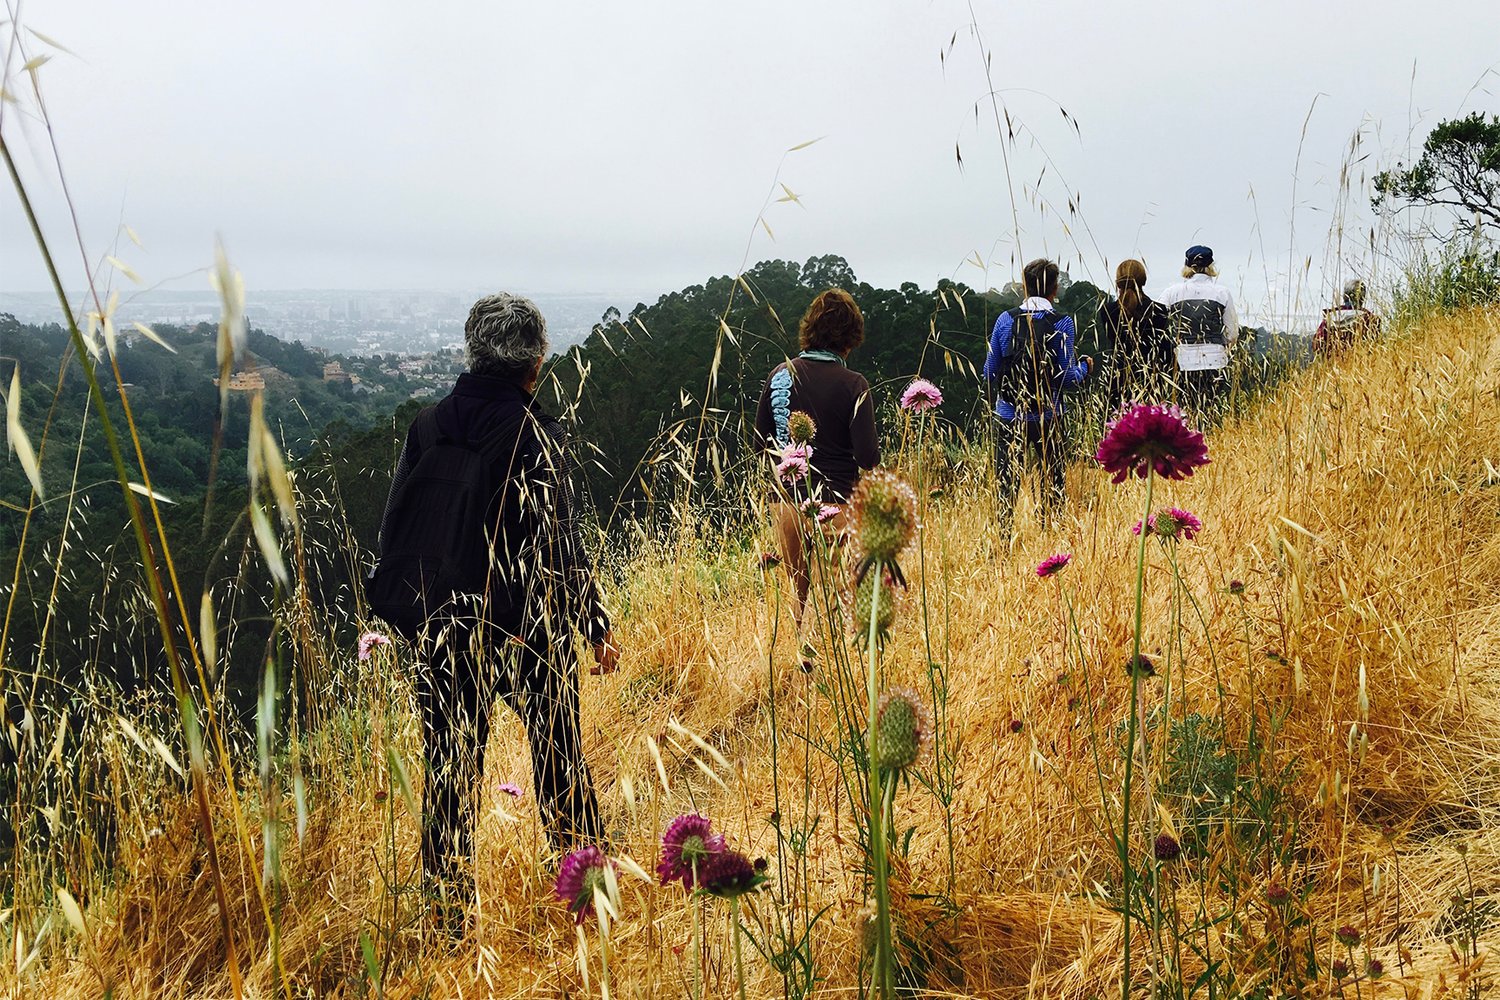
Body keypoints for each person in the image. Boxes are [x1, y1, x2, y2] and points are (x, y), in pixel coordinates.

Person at [374, 293, 620, 924]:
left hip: (441, 625)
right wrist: (592, 622)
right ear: (535, 361)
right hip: (524, 627)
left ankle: (446, 919)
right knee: (559, 757)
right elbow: (557, 539)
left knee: (449, 773)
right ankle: (589, 898)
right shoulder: (535, 431)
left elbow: (396, 526)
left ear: (471, 352)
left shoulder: (427, 425)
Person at [753, 288, 879, 662]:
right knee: (839, 596)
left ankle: (799, 664)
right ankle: (840, 668)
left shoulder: (779, 375)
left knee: (799, 593)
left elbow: (760, 444)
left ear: (809, 330)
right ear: (851, 338)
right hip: (835, 503)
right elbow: (868, 458)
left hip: (786, 502)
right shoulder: (854, 384)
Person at [982, 258, 1094, 526]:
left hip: (1010, 415)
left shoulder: (1005, 320)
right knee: (1052, 484)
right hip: (1049, 416)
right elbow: (1066, 379)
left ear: (1025, 286)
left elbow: (989, 372)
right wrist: (1085, 368)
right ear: (1054, 288)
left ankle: (1002, 538)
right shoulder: (1062, 323)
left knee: (1005, 485)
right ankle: (1050, 535)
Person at [1159, 245, 1240, 415]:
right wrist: (1222, 344)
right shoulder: (1222, 293)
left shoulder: (1172, 292)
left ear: (1187, 266)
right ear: (1211, 266)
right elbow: (1232, 333)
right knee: (1211, 412)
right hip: (1215, 360)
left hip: (1182, 360)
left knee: (1184, 412)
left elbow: (1157, 320)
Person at [1096, 258, 1174, 407]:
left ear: (1118, 282)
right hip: (1152, 380)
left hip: (1119, 378)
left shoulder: (1107, 311)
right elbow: (1164, 349)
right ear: (1143, 280)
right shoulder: (1159, 310)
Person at [1313, 278, 1381, 356]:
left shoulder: (1330, 317)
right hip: (1359, 362)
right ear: (1363, 298)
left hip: (1333, 361)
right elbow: (1375, 346)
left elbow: (1317, 344)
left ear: (1344, 297)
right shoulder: (1370, 319)